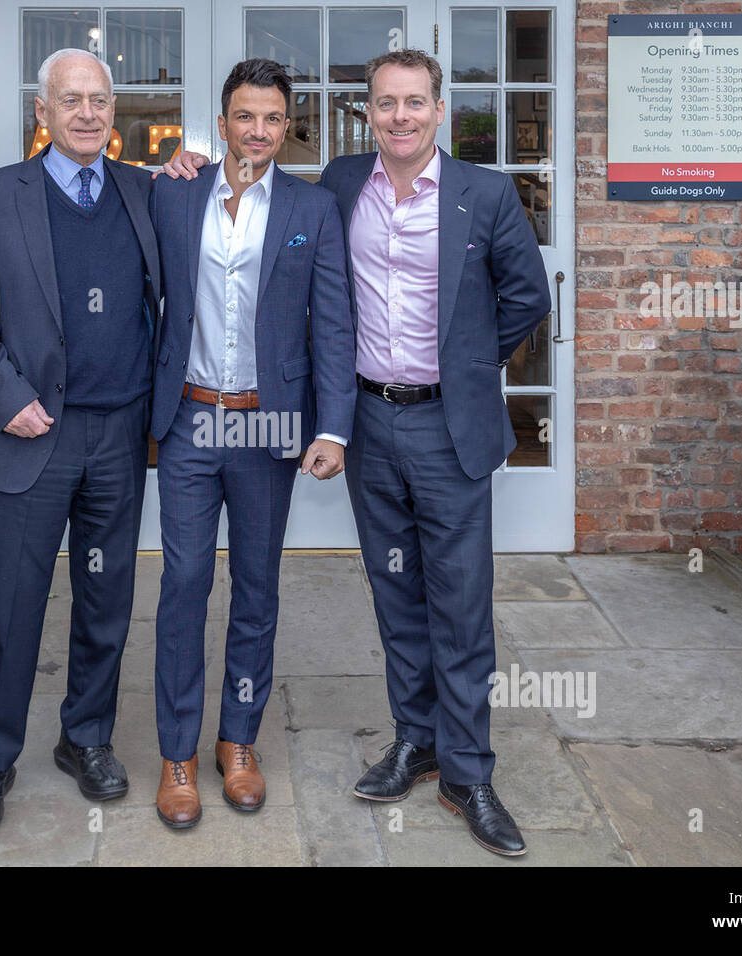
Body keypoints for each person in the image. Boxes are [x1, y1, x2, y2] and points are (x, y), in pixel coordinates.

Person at [161, 49, 551, 855]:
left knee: (461, 600)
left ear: (439, 110)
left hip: (448, 428)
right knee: (395, 593)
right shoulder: (338, 185)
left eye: (414, 103)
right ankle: (416, 739)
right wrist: (180, 159)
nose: (400, 116)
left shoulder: (483, 193)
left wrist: (467, 366)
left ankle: (469, 773)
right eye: (385, 104)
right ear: (366, 113)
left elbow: (526, 296)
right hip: (371, 424)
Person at [0, 48, 161, 830]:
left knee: (106, 601)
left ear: (114, 110)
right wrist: (8, 399)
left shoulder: (143, 190)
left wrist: (202, 166)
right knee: (10, 604)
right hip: (32, 434)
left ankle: (86, 737)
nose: (86, 113)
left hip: (119, 434)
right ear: (43, 111)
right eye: (70, 100)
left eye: (99, 100)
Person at [146, 58, 356, 829]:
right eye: (244, 116)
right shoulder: (175, 190)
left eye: (272, 118)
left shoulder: (314, 205)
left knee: (257, 592)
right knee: (184, 585)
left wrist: (332, 426)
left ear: (287, 123)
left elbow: (333, 322)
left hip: (269, 423)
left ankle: (238, 742)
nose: (258, 131)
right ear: (224, 118)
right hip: (194, 418)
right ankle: (176, 752)